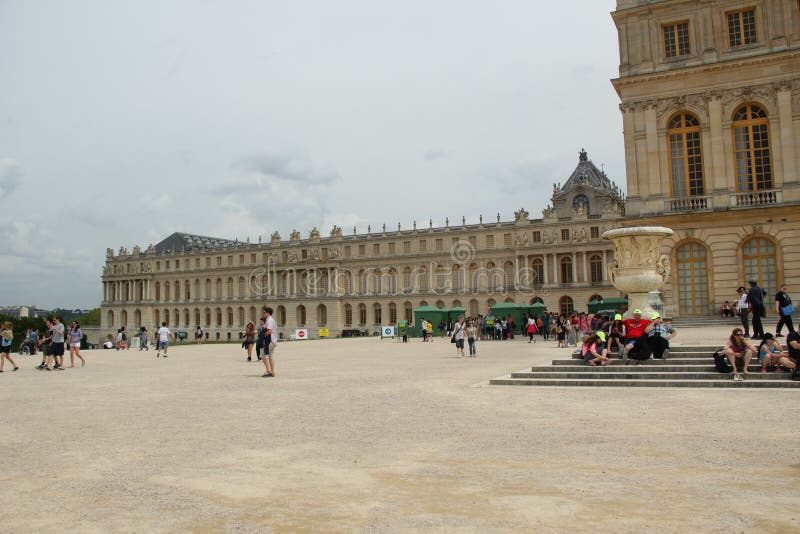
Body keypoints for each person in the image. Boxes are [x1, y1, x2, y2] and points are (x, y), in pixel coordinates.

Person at [261, 307, 277, 377]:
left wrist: (263, 336)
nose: (263, 314)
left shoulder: (269, 320)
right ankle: (272, 371)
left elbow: (269, 330)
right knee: (270, 356)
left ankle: (268, 371)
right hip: (273, 341)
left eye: (264, 312)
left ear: (268, 313)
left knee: (263, 355)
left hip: (269, 341)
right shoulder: (270, 320)